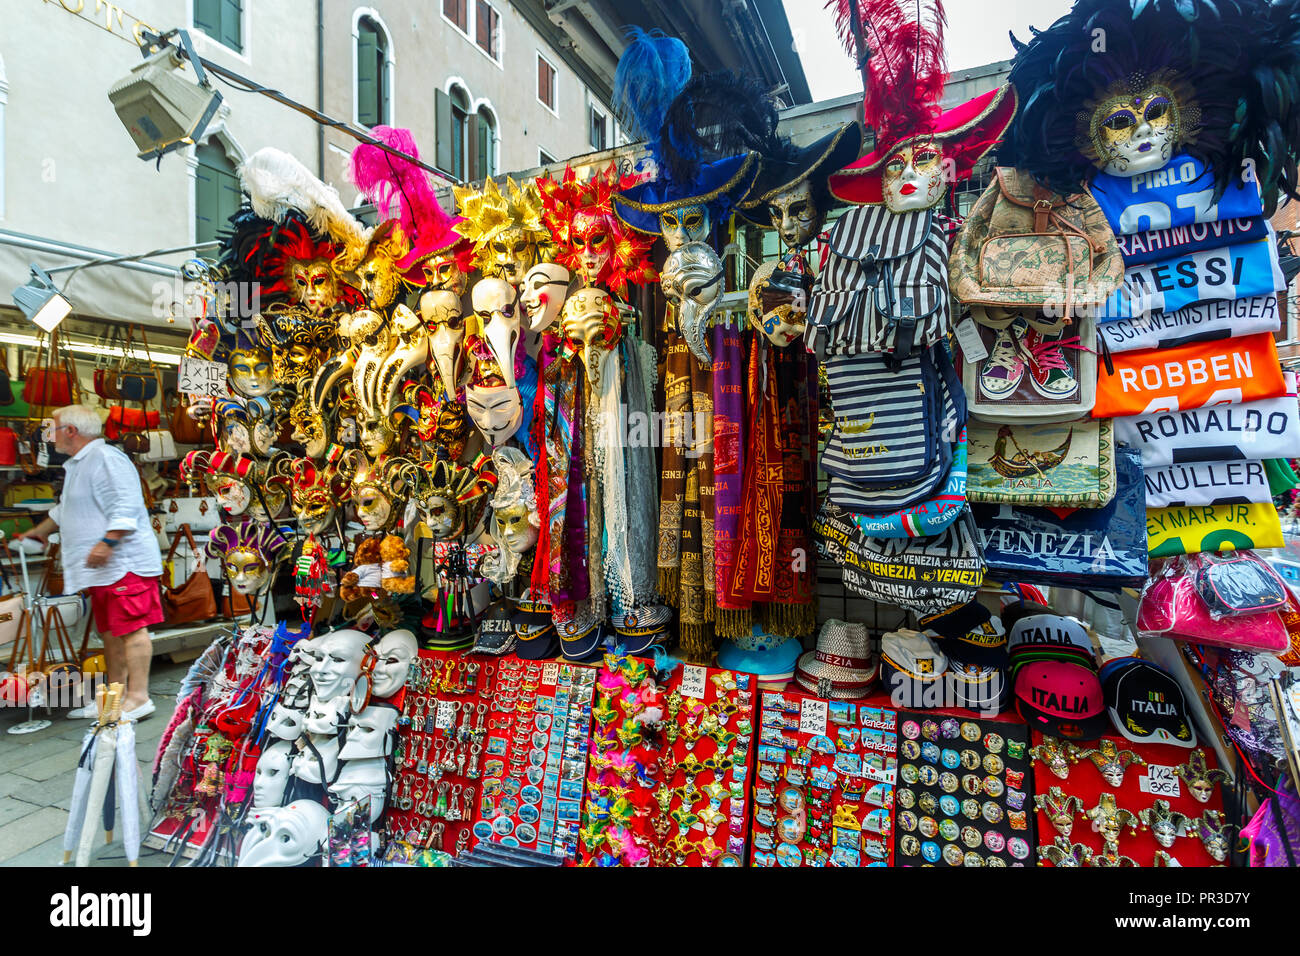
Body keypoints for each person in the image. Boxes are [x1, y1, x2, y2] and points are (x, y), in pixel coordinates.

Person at [16, 404, 163, 720]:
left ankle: (139, 697)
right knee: (110, 633)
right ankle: (113, 699)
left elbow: (126, 505)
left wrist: (107, 542)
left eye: (52, 429)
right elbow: (63, 511)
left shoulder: (107, 459)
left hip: (124, 563)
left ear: (71, 431)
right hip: (103, 570)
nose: (49, 435)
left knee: (133, 629)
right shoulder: (78, 464)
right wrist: (38, 534)